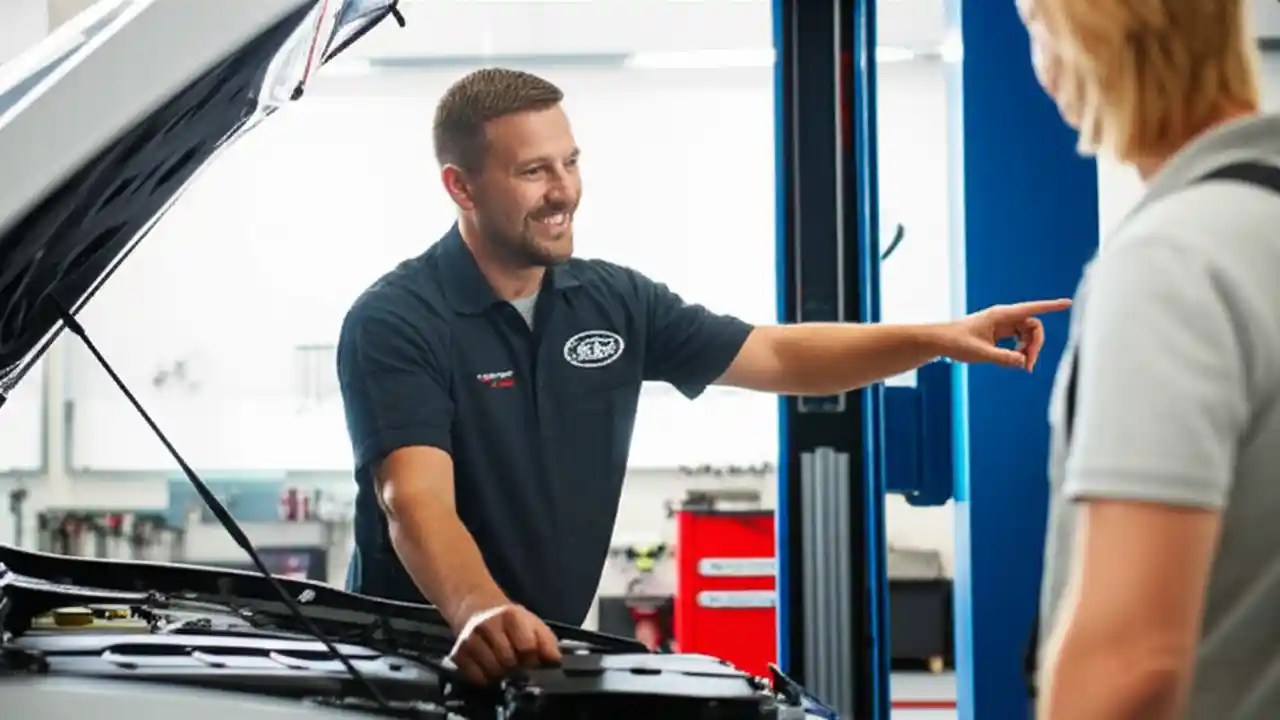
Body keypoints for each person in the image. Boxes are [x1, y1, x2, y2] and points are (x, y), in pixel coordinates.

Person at [335, 67, 1069, 687]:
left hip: (541, 656)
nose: (564, 191)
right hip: (409, 664)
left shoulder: (615, 302)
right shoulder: (398, 321)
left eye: (570, 161)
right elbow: (415, 502)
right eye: (533, 171)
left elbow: (778, 355)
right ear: (461, 188)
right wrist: (481, 609)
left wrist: (941, 337)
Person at [1017, 1, 1280, 718]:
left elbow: (1129, 662)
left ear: (1089, 36)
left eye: (1036, 25)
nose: (1037, 64)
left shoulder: (1173, 261)